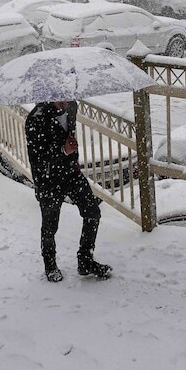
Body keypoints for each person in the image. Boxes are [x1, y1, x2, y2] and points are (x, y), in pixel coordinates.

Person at [24, 100, 112, 282]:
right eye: (59, 96)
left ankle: (85, 260)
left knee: (92, 212)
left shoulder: (72, 106)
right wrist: (62, 150)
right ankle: (50, 265)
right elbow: (37, 157)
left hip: (71, 173)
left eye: (66, 94)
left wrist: (70, 154)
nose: (64, 100)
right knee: (50, 225)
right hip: (48, 179)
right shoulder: (35, 118)